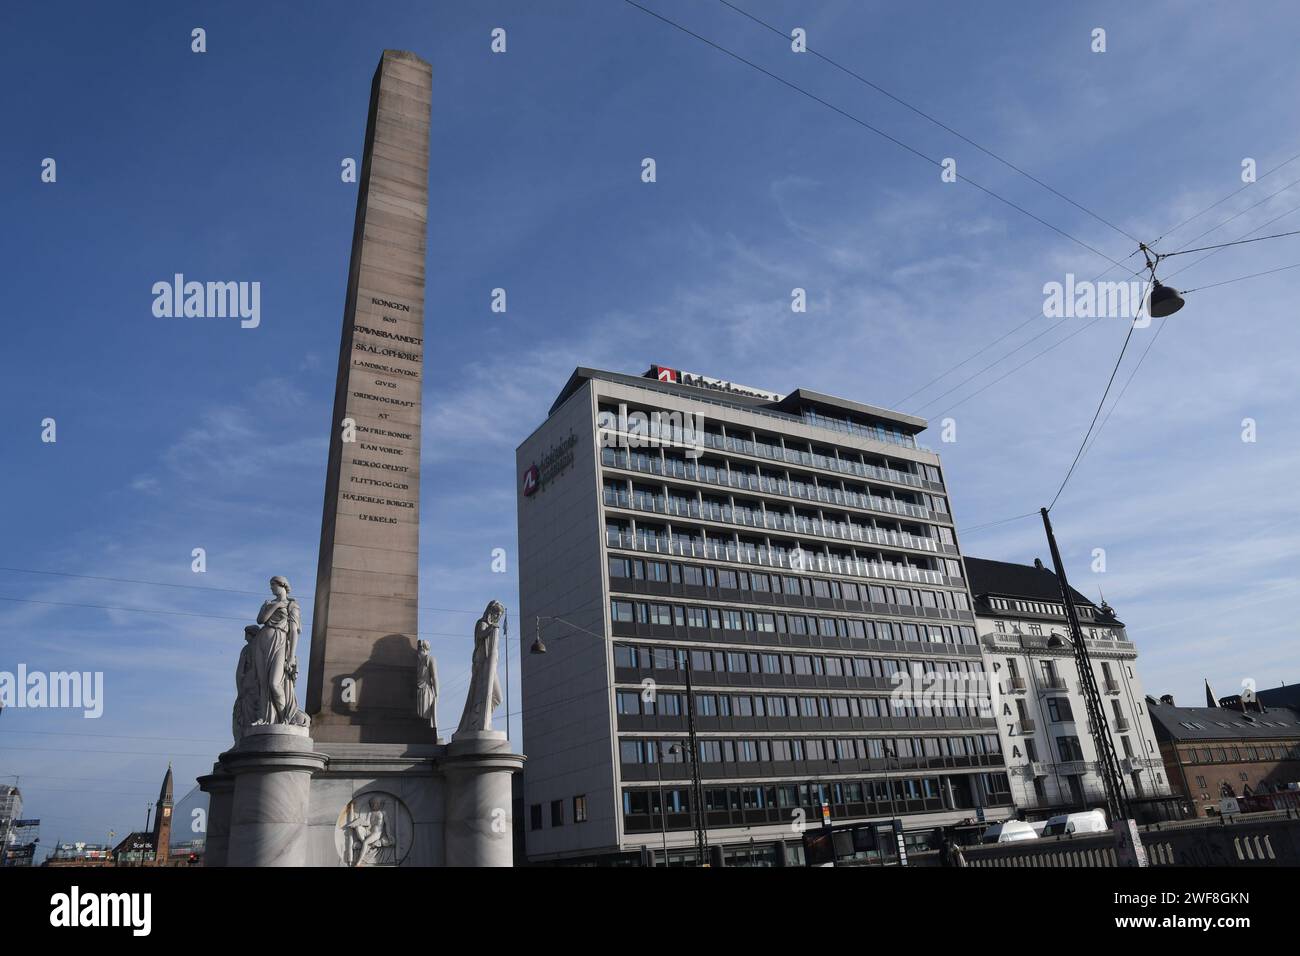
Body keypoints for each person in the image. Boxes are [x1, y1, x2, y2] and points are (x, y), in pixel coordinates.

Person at [253, 575, 308, 727]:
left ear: (282, 585)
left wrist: (291, 657)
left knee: (274, 683)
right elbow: (261, 620)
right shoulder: (269, 603)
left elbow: (294, 631)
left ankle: (286, 718)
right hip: (262, 642)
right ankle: (265, 717)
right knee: (263, 683)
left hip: (280, 641)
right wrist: (276, 606)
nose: (271, 588)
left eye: (273, 585)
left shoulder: (293, 605)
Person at [456, 600, 504, 735]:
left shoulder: (492, 626)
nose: (497, 617)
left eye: (499, 615)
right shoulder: (481, 623)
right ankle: (478, 721)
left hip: (491, 665)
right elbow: (481, 635)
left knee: (498, 698)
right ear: (490, 612)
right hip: (482, 663)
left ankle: (481, 718)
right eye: (496, 614)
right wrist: (492, 628)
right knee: (481, 694)